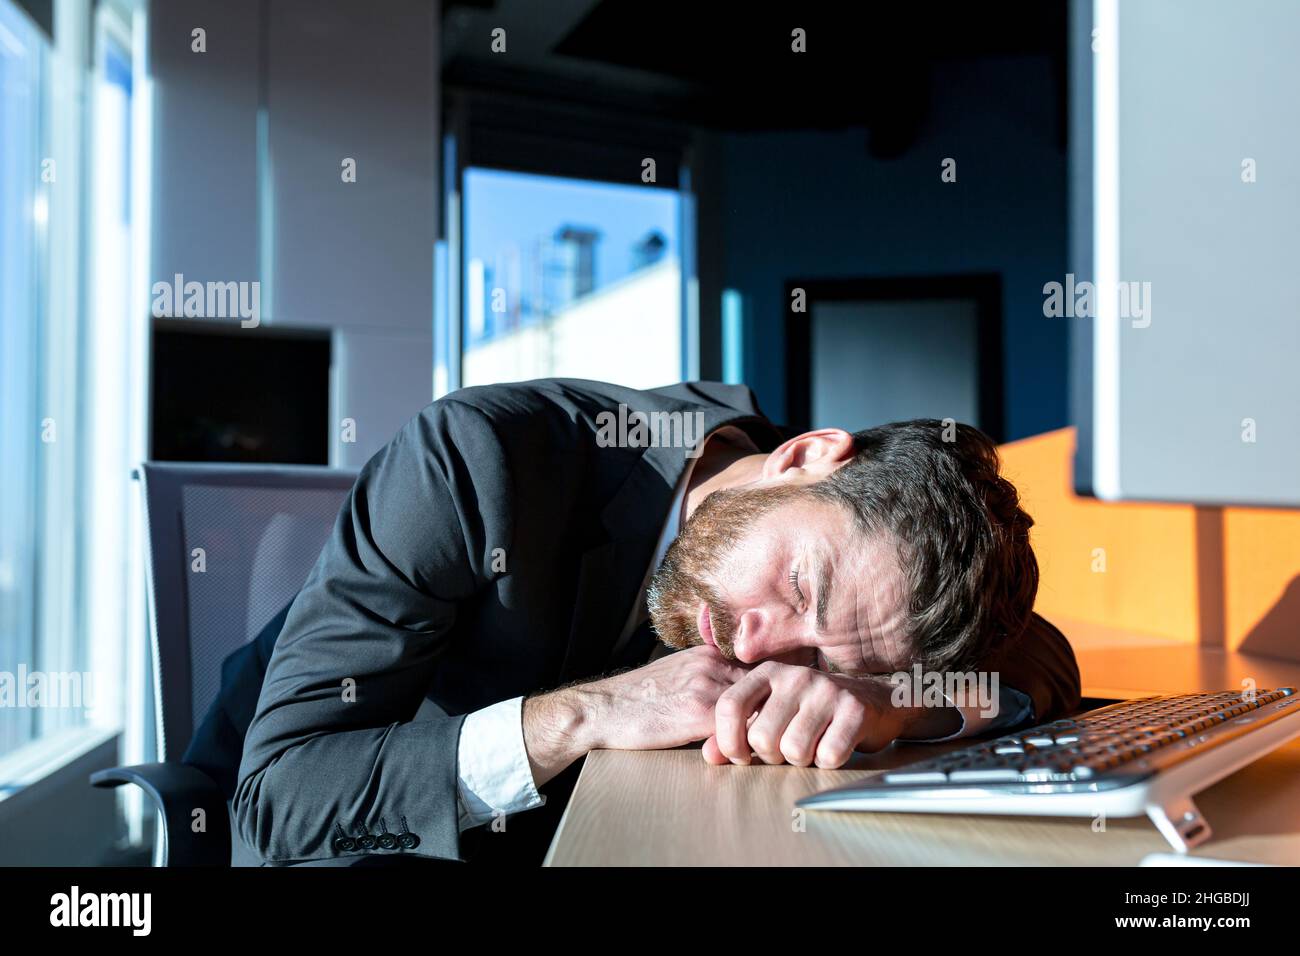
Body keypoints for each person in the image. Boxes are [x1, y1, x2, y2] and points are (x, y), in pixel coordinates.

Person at [224, 378, 1079, 865]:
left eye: (818, 650)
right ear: (807, 457)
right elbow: (274, 804)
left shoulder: (850, 544)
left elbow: (1041, 662)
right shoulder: (479, 462)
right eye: (801, 589)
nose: (759, 646)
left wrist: (892, 699)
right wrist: (586, 713)